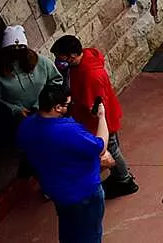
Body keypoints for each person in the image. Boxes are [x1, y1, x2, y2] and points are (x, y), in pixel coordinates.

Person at [16, 85, 112, 243]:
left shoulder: (26, 126)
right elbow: (100, 146)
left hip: (56, 189)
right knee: (90, 233)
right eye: (68, 104)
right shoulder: (68, 131)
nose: (70, 107)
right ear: (57, 107)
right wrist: (102, 117)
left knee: (68, 229)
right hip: (83, 191)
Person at [50, 36, 139, 198]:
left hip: (99, 120)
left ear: (72, 56)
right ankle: (119, 174)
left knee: (111, 147)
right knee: (113, 146)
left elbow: (95, 106)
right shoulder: (84, 64)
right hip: (101, 116)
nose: (59, 62)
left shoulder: (91, 75)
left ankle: (124, 179)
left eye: (61, 58)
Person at [0, 25, 63, 139]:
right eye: (12, 50)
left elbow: (56, 81)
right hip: (21, 122)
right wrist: (15, 110)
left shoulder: (41, 62)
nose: (17, 53)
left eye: (21, 48)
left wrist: (44, 102)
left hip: (48, 114)